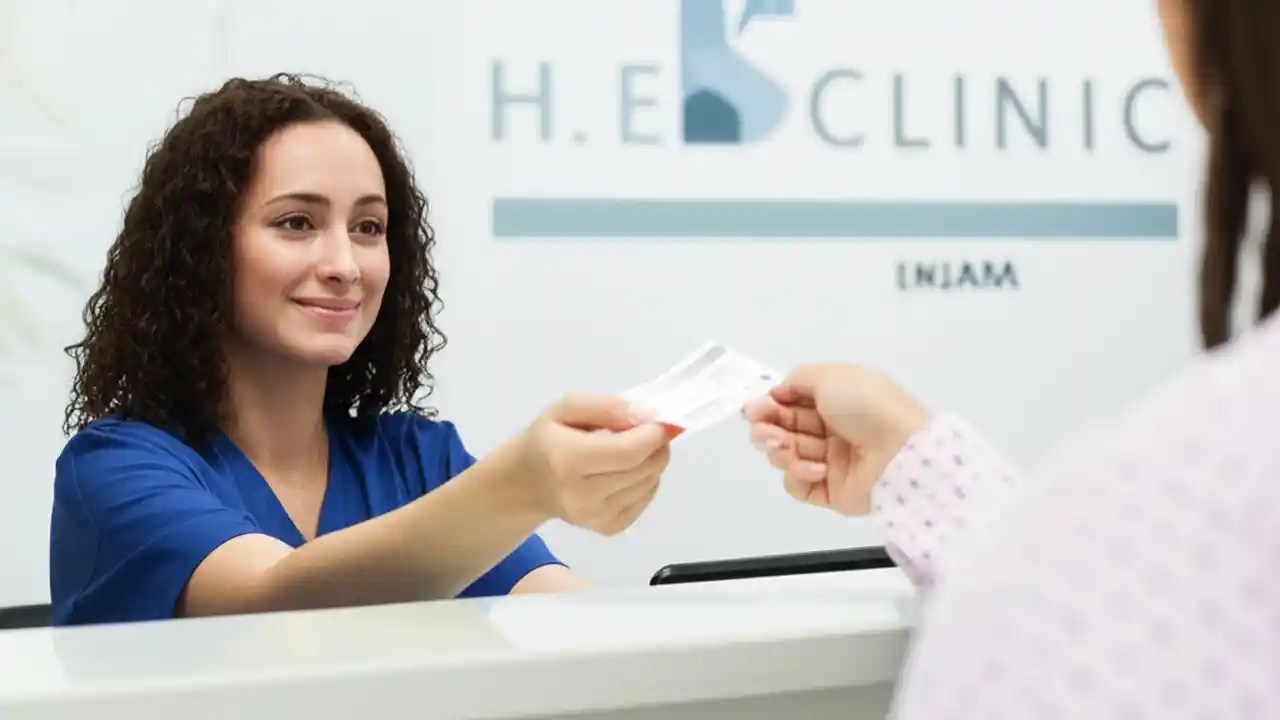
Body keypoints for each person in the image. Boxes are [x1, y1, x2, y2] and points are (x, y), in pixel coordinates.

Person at [744, 0, 1280, 716]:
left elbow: (1111, 625)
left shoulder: (1156, 526)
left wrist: (1035, 560)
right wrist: (925, 471)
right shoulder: (1126, 550)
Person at [51, 74, 671, 626]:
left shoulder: (417, 460)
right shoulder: (116, 469)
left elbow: (572, 619)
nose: (345, 265)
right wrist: (524, 487)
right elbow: (276, 608)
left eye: (368, 228)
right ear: (199, 250)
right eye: (296, 222)